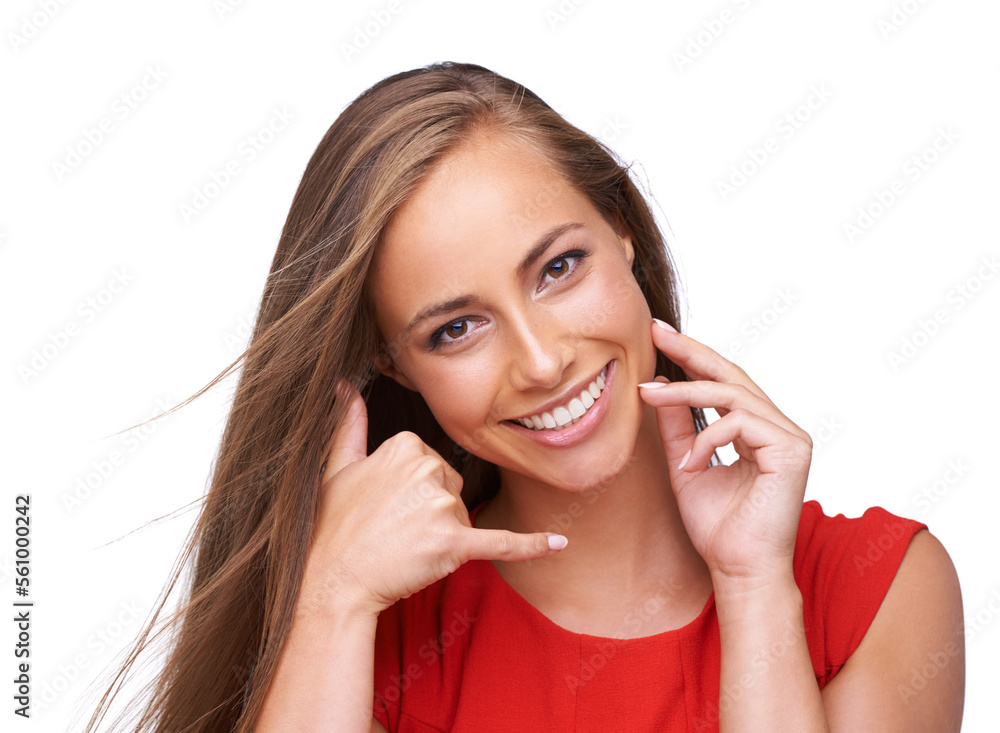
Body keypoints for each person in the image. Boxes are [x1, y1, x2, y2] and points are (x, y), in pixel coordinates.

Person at [85, 62, 964, 733]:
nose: (541, 362)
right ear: (397, 368)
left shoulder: (874, 590)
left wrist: (754, 583)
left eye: (558, 267)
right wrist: (332, 599)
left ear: (622, 229)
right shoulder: (376, 633)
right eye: (456, 328)